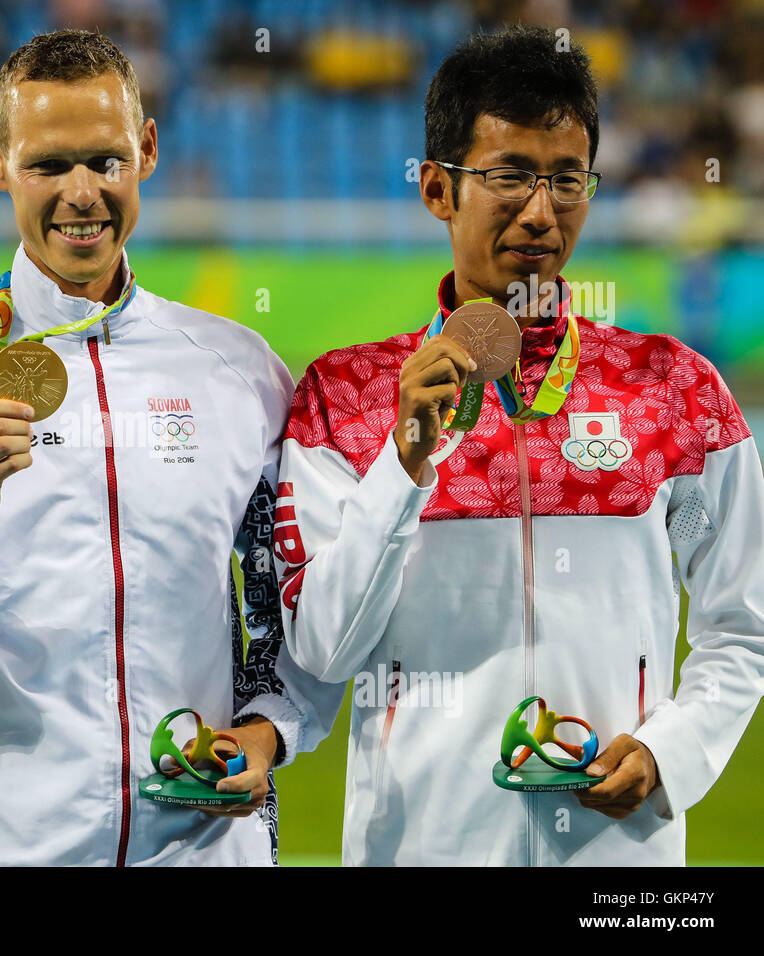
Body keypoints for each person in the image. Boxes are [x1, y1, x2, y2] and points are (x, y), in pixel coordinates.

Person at [273, 26, 764, 865]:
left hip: (621, 864)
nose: (541, 212)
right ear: (436, 188)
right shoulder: (344, 397)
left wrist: (669, 752)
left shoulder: (673, 389)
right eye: (508, 177)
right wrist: (403, 466)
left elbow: (743, 626)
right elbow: (324, 647)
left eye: (567, 180)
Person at [0, 29, 327, 866]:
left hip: (205, 848)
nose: (81, 193)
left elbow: (293, 607)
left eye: (105, 160)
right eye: (48, 164)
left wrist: (268, 731)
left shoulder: (240, 373)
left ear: (146, 150)